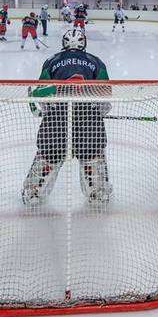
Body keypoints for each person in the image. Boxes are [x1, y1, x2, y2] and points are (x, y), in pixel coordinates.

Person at [22, 29, 112, 207]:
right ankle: (98, 192)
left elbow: (41, 94)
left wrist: (48, 111)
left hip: (57, 116)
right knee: (92, 153)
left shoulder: (51, 61)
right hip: (89, 116)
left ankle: (33, 192)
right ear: (83, 43)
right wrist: (100, 111)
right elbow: (106, 95)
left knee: (49, 153)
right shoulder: (95, 61)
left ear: (64, 43)